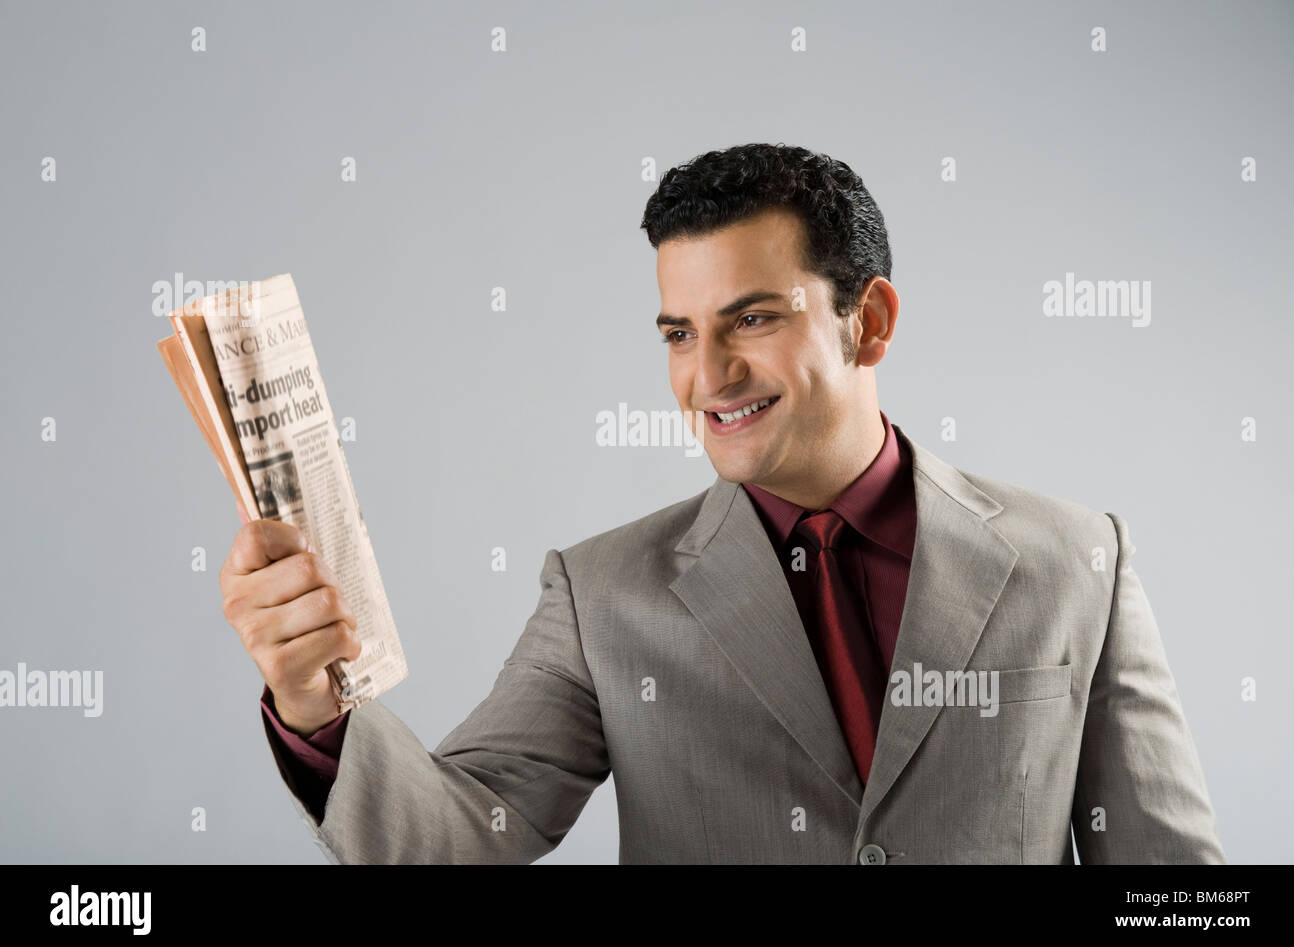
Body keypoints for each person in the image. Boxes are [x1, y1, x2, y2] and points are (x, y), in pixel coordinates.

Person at [219, 143, 1226, 864]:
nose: (708, 375)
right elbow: (460, 838)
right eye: (677, 333)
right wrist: (317, 706)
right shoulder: (601, 593)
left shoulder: (1076, 557)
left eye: (750, 318)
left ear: (867, 322)